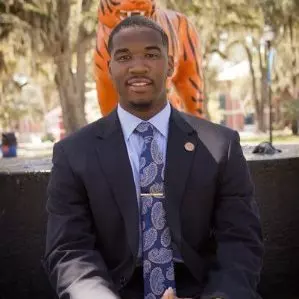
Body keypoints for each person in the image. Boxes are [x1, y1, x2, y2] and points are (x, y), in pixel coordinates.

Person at [44, 16, 263, 299]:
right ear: (109, 67)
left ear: (170, 64)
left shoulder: (221, 145)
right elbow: (68, 250)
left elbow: (241, 241)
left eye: (151, 54)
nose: (138, 66)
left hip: (202, 291)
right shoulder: (73, 153)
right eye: (124, 56)